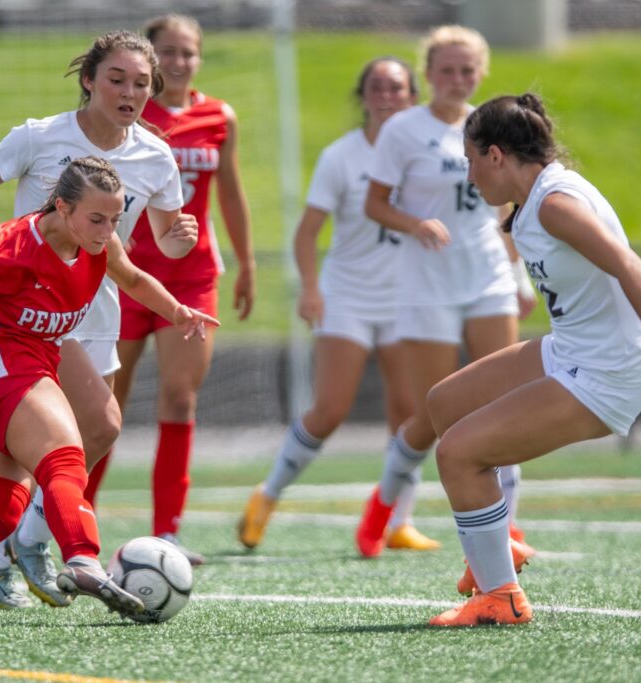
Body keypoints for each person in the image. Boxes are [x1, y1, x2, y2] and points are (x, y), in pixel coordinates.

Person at [422, 92, 641, 626]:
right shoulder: (532, 200)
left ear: (495, 155)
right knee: (445, 405)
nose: (469, 176)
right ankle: (498, 545)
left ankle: (501, 597)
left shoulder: (555, 204)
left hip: (607, 372)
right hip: (573, 350)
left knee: (458, 453)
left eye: (469, 161)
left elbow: (629, 265)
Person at [0, 157, 219, 624]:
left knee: (0, 511)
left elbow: (131, 278)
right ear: (62, 208)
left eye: (115, 219)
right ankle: (83, 559)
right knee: (65, 457)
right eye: (97, 219)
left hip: (6, 385)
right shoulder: (11, 248)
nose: (107, 230)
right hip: (2, 378)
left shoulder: (98, 244)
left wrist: (178, 311)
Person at [0, 31, 197, 610]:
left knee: (97, 432)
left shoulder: (155, 156)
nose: (130, 92)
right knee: (91, 423)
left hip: (93, 308)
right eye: (117, 79)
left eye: (142, 83)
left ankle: (19, 541)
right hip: (29, 313)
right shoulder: (41, 136)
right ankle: (19, 546)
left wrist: (180, 240)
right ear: (88, 79)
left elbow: (161, 245)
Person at [239, 56, 442, 552]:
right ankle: (266, 496)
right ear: (364, 96)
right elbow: (308, 232)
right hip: (348, 296)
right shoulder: (342, 157)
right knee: (330, 409)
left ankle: (398, 521)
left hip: (408, 300)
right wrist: (310, 288)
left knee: (411, 413)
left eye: (397, 87)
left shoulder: (431, 151)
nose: (387, 95)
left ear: (414, 96)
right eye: (377, 86)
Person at [353, 25, 537, 559]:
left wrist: (518, 274)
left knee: (509, 402)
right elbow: (376, 204)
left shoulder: (492, 123)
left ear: (481, 72)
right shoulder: (403, 129)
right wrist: (415, 224)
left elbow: (506, 205)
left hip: (487, 278)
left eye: (467, 70)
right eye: (447, 70)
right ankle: (384, 510)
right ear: (428, 74)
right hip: (425, 282)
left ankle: (509, 527)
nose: (457, 80)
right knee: (436, 412)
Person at [82, 15, 257, 566]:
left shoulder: (217, 116)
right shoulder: (129, 113)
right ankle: (73, 521)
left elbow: (230, 194)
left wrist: (247, 261)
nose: (180, 62)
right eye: (169, 53)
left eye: (189, 52)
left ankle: (168, 532)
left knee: (180, 398)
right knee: (107, 404)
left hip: (193, 275)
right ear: (152, 62)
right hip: (124, 273)